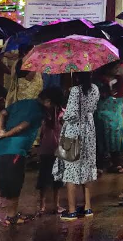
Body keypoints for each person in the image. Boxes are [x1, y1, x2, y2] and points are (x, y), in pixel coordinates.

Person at [0, 90, 49, 225]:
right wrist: (5, 134)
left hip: (1, 149)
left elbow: (2, 113)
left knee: (6, 183)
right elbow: (23, 126)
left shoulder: (23, 102)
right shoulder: (38, 112)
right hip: (15, 150)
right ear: (48, 101)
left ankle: (11, 214)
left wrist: (1, 129)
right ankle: (11, 217)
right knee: (15, 182)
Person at [54, 72, 100, 220]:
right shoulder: (95, 89)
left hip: (73, 132)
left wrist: (63, 115)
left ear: (77, 76)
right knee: (87, 167)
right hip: (89, 132)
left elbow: (71, 115)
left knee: (70, 170)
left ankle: (72, 210)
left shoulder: (74, 90)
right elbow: (92, 109)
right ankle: (87, 208)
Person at [94, 69, 123, 173]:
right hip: (102, 114)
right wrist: (106, 92)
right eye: (116, 66)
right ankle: (101, 165)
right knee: (102, 138)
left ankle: (116, 163)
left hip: (116, 115)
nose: (119, 68)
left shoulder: (120, 80)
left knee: (116, 138)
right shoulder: (97, 81)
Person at [36, 86, 63, 216]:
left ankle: (56, 204)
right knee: (44, 179)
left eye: (45, 100)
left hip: (58, 150)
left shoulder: (62, 113)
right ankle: (42, 204)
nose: (43, 102)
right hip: (46, 149)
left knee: (57, 180)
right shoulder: (42, 114)